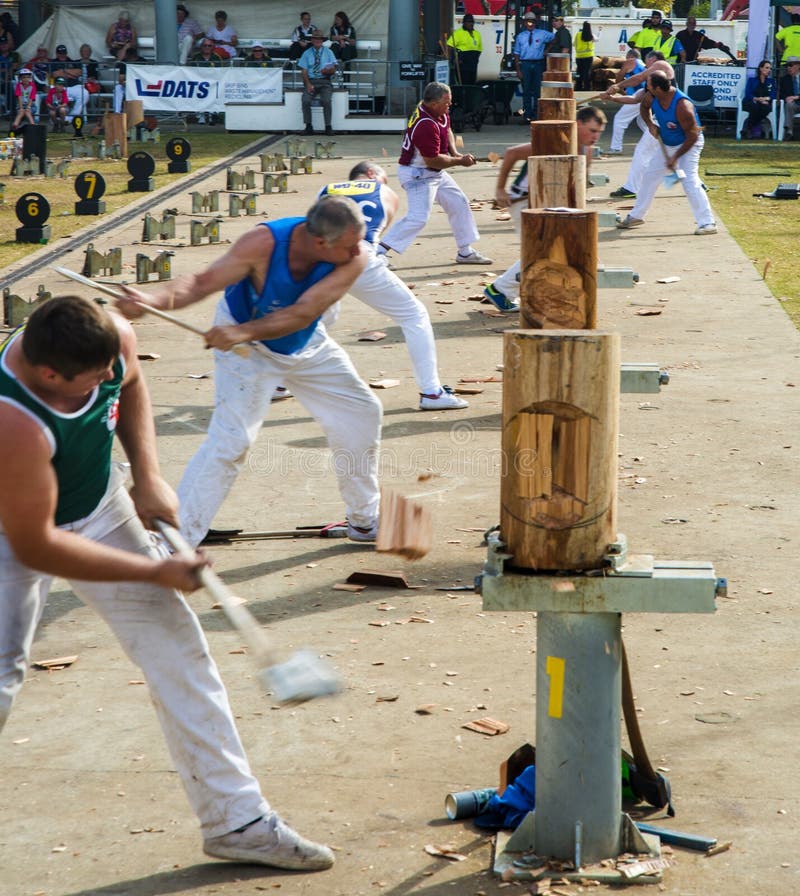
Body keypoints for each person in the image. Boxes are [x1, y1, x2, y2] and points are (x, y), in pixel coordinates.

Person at [0, 295, 334, 873]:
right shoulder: (13, 423)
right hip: (14, 533)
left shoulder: (110, 340)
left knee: (179, 650)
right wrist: (155, 570)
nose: (107, 378)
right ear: (49, 375)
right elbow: (39, 546)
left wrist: (148, 476)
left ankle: (237, 822)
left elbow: (129, 385)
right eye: (92, 379)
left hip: (99, 503)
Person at [116, 196, 382, 549]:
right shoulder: (263, 243)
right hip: (247, 350)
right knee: (232, 441)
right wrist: (152, 301)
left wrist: (242, 332)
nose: (359, 251)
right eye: (349, 245)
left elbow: (303, 313)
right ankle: (173, 543)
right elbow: (201, 282)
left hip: (300, 340)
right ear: (321, 243)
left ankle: (364, 519)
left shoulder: (356, 257)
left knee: (362, 412)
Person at [319, 161, 468, 410]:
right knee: (414, 315)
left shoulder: (326, 189)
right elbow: (373, 237)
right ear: (371, 174)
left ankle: (279, 383)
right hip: (358, 256)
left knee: (312, 320)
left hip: (320, 258)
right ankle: (432, 393)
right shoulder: (385, 192)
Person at [484, 107, 607, 312]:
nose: (595, 137)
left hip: (551, 205)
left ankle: (535, 294)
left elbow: (578, 187)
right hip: (524, 202)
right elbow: (512, 153)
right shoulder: (553, 141)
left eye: (599, 133)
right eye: (592, 130)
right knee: (541, 251)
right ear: (578, 125)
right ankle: (501, 289)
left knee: (553, 251)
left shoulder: (587, 151)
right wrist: (500, 189)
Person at [378, 81, 492, 266]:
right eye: (446, 103)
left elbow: (447, 129)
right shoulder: (426, 124)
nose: (450, 105)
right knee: (418, 218)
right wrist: (460, 162)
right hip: (418, 174)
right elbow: (433, 160)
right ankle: (378, 252)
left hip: (432, 172)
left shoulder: (437, 111)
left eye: (449, 101)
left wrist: (455, 152)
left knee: (459, 203)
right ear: (432, 103)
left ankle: (465, 252)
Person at [617, 69, 717, 236]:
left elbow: (692, 136)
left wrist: (675, 157)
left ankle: (708, 223)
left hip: (689, 144)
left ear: (658, 88)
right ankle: (636, 216)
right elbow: (644, 108)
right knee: (650, 177)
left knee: (689, 181)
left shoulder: (682, 106)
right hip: (668, 143)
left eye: (649, 86)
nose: (646, 88)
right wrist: (650, 124)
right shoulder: (652, 96)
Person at [604, 52, 672, 200]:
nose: (645, 66)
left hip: (665, 120)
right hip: (666, 119)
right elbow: (635, 99)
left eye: (647, 61)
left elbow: (639, 78)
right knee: (678, 155)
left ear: (653, 59)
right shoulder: (650, 85)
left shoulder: (661, 65)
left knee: (642, 152)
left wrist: (617, 86)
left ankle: (630, 188)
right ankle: (699, 184)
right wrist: (612, 98)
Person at [512, 11, 552, 121]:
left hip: (538, 64)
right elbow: (516, 53)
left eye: (533, 22)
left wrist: (547, 49)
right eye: (528, 22)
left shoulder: (542, 34)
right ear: (525, 23)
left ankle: (536, 115)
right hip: (525, 64)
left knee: (538, 91)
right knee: (526, 91)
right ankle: (527, 116)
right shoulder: (520, 36)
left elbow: (555, 38)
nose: (531, 24)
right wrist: (518, 70)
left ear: (535, 23)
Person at [298, 29, 337, 136]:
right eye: (315, 38)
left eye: (319, 39)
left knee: (326, 101)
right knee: (305, 100)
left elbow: (334, 68)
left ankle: (328, 126)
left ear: (322, 40)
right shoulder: (306, 53)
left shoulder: (329, 52)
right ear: (312, 40)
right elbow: (304, 71)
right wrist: (308, 84)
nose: (317, 40)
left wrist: (328, 71)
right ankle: (308, 126)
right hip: (311, 81)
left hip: (325, 81)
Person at [606, 49, 645, 154]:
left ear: (630, 56)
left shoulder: (630, 62)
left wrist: (619, 90)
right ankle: (660, 141)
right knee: (643, 123)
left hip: (636, 97)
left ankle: (616, 148)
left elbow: (618, 79)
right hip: (645, 96)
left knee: (620, 119)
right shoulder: (643, 64)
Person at [741, 59, 776, 139]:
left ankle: (748, 128)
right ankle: (750, 129)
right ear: (760, 68)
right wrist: (757, 99)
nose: (769, 70)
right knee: (755, 107)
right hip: (752, 102)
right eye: (767, 68)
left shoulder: (771, 81)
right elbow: (748, 93)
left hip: (764, 103)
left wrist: (765, 99)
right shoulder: (752, 80)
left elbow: (773, 94)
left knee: (766, 108)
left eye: (770, 68)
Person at [447, 14, 482, 86]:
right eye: (469, 21)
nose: (471, 23)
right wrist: (453, 58)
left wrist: (476, 58)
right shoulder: (458, 33)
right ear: (464, 23)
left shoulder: (477, 34)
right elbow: (449, 46)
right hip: (462, 63)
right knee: (463, 83)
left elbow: (479, 48)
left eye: (472, 22)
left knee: (472, 83)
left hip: (473, 64)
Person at [779, 56, 800, 140]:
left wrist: (797, 97)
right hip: (794, 105)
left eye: (790, 65)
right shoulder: (784, 79)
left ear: (798, 66)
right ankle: (789, 131)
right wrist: (786, 98)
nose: (788, 68)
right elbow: (781, 94)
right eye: (787, 66)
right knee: (789, 104)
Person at [0, 36, 19, 116]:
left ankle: (11, 111)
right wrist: (7, 69)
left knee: (9, 85)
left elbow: (14, 67)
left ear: (8, 44)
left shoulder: (14, 54)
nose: (4, 45)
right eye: (1, 44)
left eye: (5, 43)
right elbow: (10, 68)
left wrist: (5, 71)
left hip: (10, 79)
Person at [574, 22, 595, 92]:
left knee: (578, 72)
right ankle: (587, 87)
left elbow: (574, 44)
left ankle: (578, 86)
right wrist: (600, 31)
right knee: (587, 72)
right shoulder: (592, 35)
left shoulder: (578, 34)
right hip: (588, 57)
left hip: (579, 57)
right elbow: (597, 39)